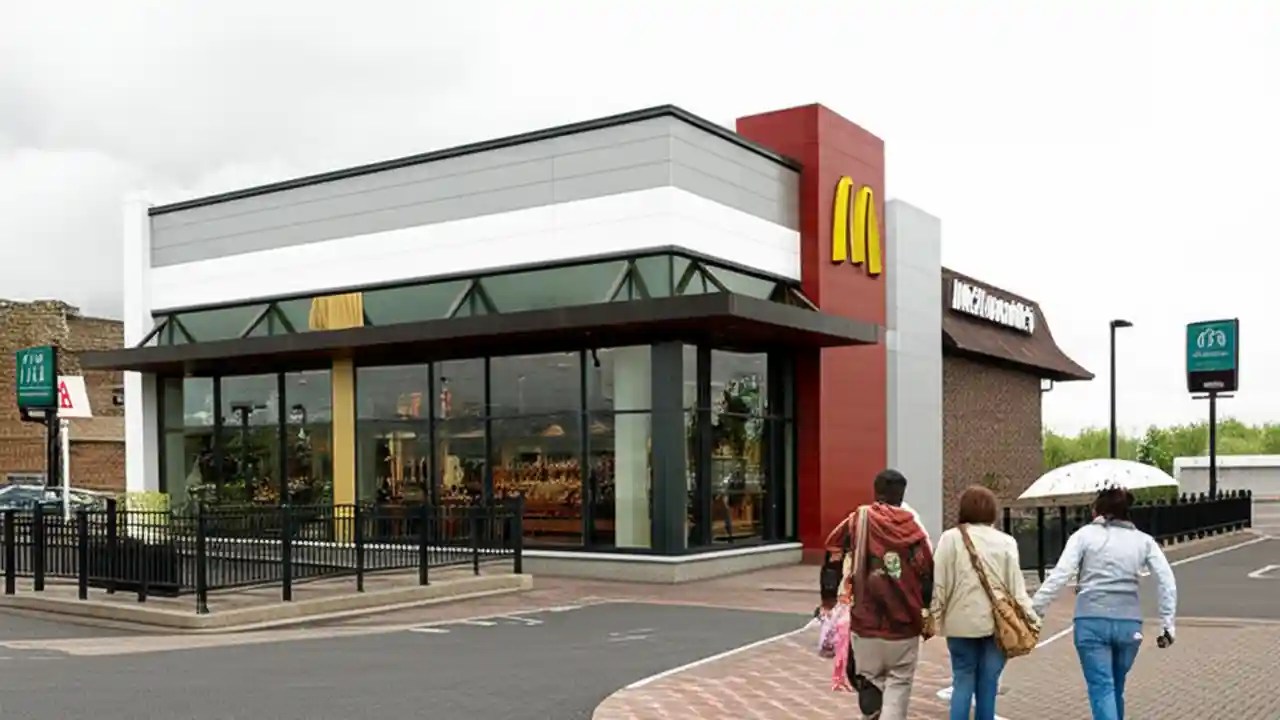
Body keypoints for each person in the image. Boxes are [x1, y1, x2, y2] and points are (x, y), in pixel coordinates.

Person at [1032, 487, 1177, 720]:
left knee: (1102, 688)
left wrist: (1035, 609)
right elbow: (1166, 581)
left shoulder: (1083, 536)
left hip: (1091, 621)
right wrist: (1168, 624)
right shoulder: (1144, 541)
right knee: (1115, 687)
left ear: (1097, 511)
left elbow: (1060, 575)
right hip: (1129, 624)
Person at [930, 485, 1038, 720]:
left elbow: (939, 584)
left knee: (962, 680)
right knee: (988, 685)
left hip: (959, 623)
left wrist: (934, 618)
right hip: (997, 624)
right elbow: (1017, 589)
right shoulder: (1006, 542)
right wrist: (1031, 618)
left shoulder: (950, 539)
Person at [842, 468, 935, 720]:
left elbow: (836, 556)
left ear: (876, 490)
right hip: (903, 625)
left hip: (865, 623)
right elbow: (927, 572)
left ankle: (870, 698)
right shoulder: (913, 530)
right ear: (902, 495)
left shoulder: (857, 522)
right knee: (899, 684)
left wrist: (830, 599)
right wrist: (924, 610)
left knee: (870, 681)